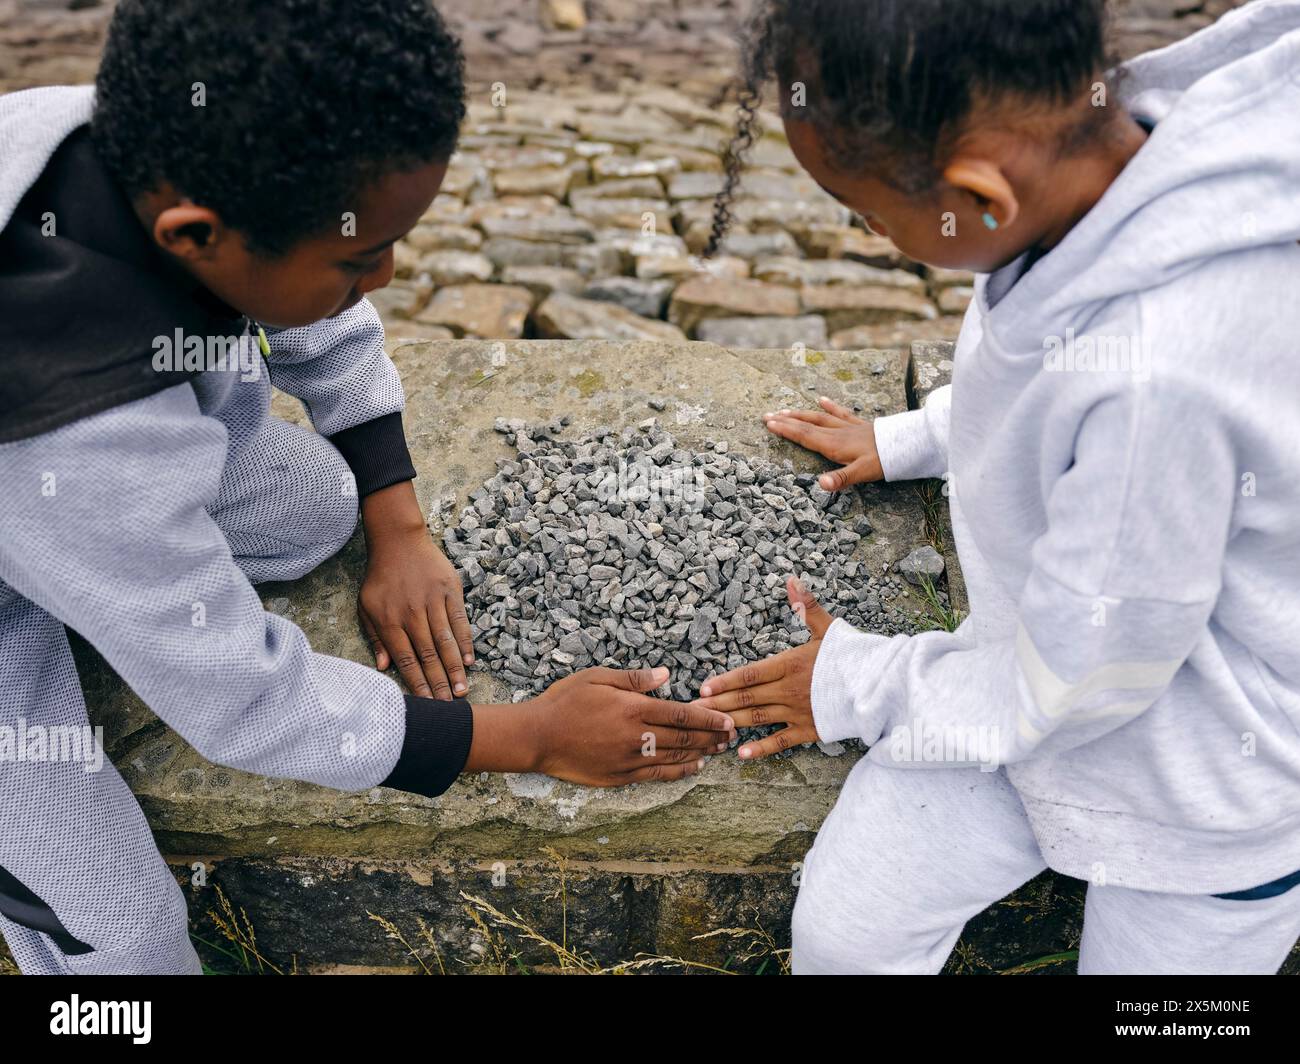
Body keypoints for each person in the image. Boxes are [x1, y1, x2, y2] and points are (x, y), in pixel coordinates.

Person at [0, 0, 732, 975]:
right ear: (195, 234)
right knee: (128, 947)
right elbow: (247, 701)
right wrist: (526, 733)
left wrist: (398, 520)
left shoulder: (139, 139)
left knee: (318, 508)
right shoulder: (83, 429)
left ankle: (101, 582)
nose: (384, 275)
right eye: (357, 258)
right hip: (40, 504)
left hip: (70, 493)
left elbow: (314, 308)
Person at [697, 0, 1300, 974]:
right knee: (847, 932)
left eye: (866, 213)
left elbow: (1081, 676)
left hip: (1204, 788)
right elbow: (1041, 379)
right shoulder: (1101, 177)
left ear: (979, 196)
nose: (868, 232)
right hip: (1027, 696)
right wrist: (920, 435)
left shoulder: (1154, 379)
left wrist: (854, 681)